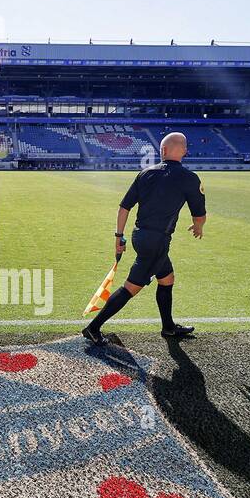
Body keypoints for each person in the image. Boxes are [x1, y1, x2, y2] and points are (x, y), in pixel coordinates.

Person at [82, 131, 205, 346]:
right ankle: (93, 328)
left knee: (167, 279)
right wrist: (198, 227)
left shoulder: (145, 173)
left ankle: (168, 327)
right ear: (184, 151)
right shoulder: (190, 178)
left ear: (163, 151)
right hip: (157, 242)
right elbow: (199, 215)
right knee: (131, 287)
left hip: (140, 237)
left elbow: (124, 207)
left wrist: (119, 237)